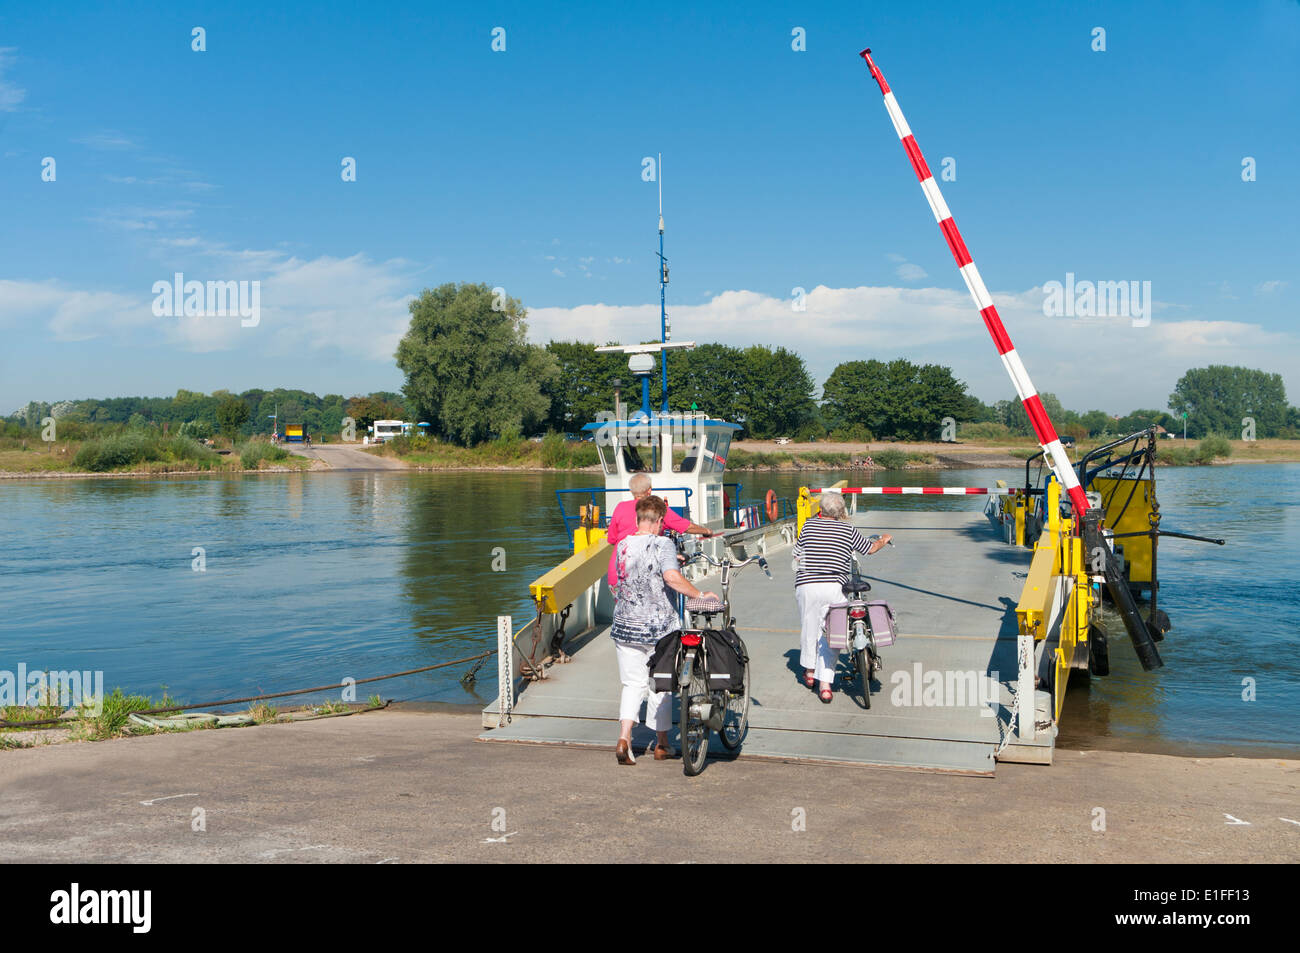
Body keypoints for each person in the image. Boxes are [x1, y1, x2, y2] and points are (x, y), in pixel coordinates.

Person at [609, 495, 711, 764]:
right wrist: (699, 594)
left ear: (637, 519)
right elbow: (671, 577)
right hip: (658, 630)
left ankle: (624, 738)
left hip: (625, 626)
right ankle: (662, 744)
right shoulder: (663, 542)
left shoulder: (622, 545)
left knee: (632, 684)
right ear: (661, 522)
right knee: (660, 684)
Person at [793, 491, 892, 703]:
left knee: (809, 627)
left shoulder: (809, 526)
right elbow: (869, 549)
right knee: (832, 634)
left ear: (821, 508)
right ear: (841, 511)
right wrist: (883, 540)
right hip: (834, 587)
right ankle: (826, 686)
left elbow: (797, 554)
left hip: (807, 586)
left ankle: (810, 672)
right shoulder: (847, 529)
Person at [605, 472, 713, 589]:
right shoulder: (657, 509)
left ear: (631, 491)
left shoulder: (620, 507)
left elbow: (611, 539)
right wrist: (706, 531)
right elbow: (686, 526)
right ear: (649, 490)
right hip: (644, 578)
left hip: (618, 575)